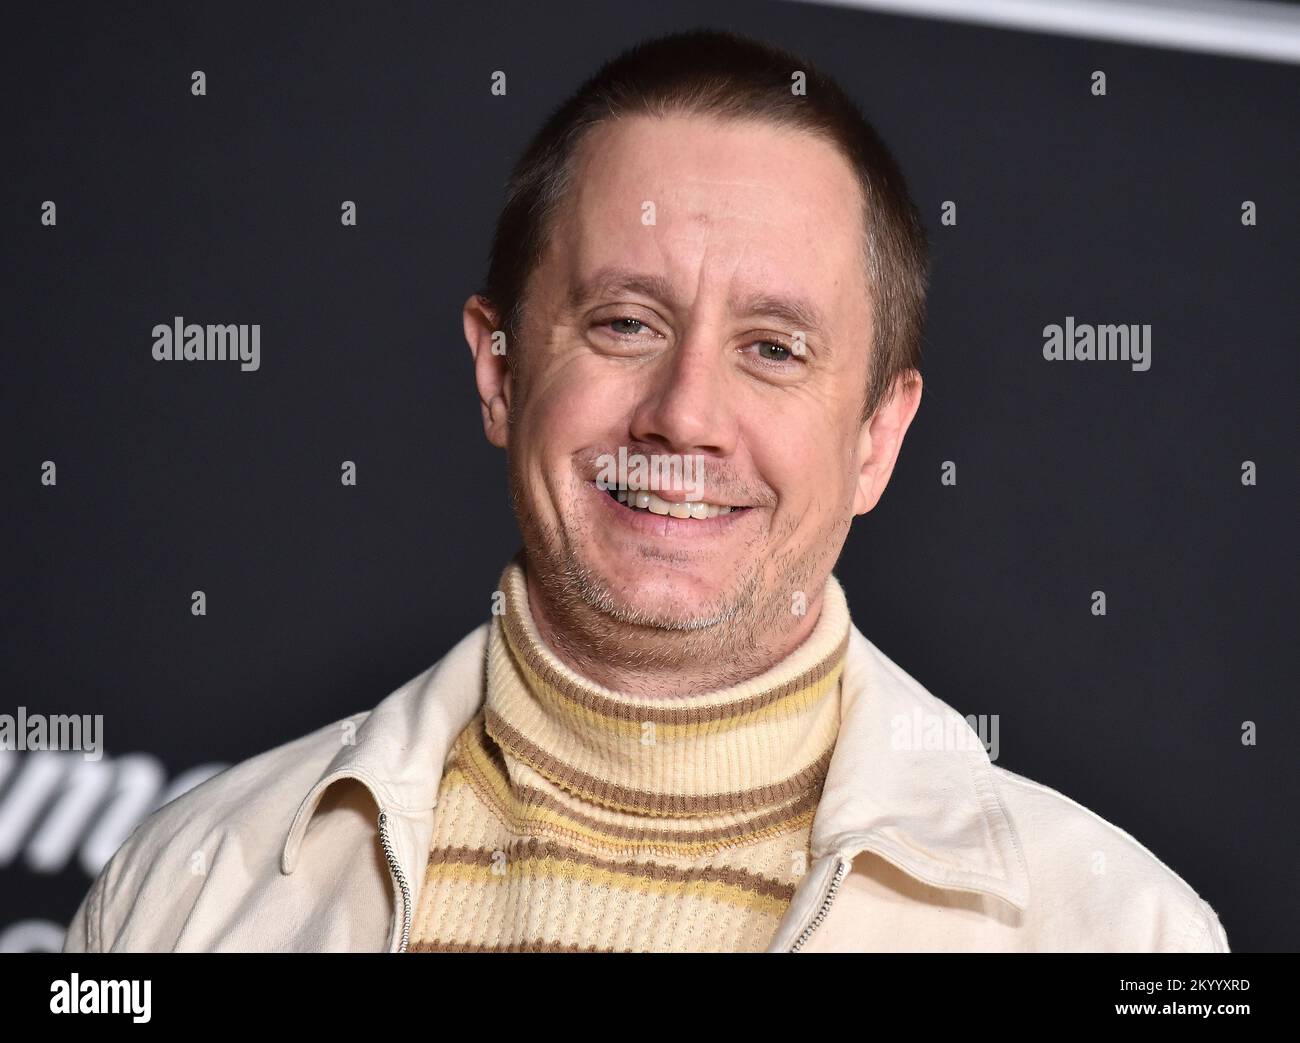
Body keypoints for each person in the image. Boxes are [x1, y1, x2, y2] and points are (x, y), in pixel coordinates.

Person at [63, 28, 1228, 953]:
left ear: (876, 437)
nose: (683, 413)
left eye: (774, 348)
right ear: (500, 370)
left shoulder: (1128, 937)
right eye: (626, 322)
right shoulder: (179, 894)